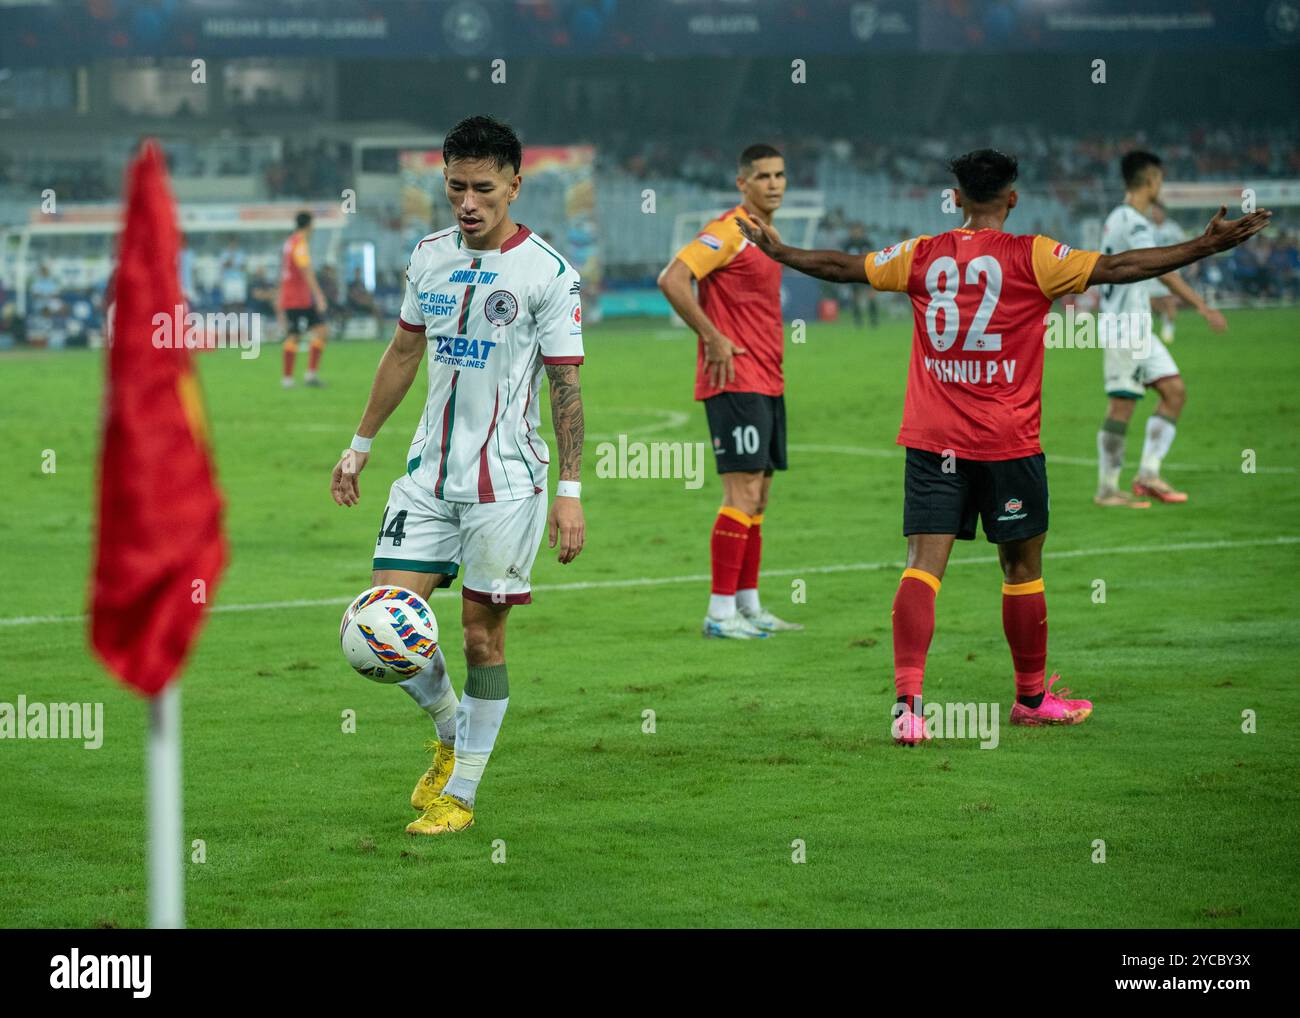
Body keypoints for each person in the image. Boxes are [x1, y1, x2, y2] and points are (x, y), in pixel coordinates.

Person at [736, 148, 1269, 745]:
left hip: (932, 440)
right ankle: (1032, 698)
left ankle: (909, 707)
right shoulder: (1036, 255)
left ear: (955, 199)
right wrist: (1204, 245)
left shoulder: (920, 254)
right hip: (1008, 442)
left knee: (922, 566)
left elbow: (842, 266)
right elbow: (1120, 269)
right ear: (1012, 198)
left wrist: (781, 252)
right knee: (1021, 568)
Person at [329, 115, 587, 834]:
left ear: (513, 185)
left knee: (481, 641)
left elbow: (566, 388)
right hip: (425, 476)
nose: (467, 202)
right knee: (384, 623)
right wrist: (360, 442)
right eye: (454, 188)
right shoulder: (429, 256)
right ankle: (449, 734)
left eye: (481, 188)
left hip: (504, 484)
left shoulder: (548, 274)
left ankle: (462, 795)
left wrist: (570, 491)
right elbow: (404, 353)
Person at [657, 143, 804, 640]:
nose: (775, 184)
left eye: (780, 175)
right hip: (735, 380)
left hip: (766, 379)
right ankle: (719, 614)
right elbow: (672, 278)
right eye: (763, 176)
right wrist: (713, 337)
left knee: (758, 496)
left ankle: (748, 605)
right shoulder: (729, 231)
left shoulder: (768, 235)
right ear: (743, 183)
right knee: (740, 493)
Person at [1095, 152, 1227, 507]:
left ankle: (1148, 473)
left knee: (1174, 392)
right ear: (1151, 179)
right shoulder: (1132, 220)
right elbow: (1163, 270)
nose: (1161, 186)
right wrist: (1201, 305)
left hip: (1138, 326)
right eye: (1161, 179)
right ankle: (1107, 488)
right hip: (1124, 328)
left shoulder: (1123, 218)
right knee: (1122, 406)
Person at [278, 211, 328, 388]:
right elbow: (305, 269)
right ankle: (288, 379)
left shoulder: (290, 242)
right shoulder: (299, 243)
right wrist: (319, 294)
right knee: (295, 336)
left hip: (295, 297)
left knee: (321, 331)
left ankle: (310, 375)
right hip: (298, 299)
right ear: (309, 225)